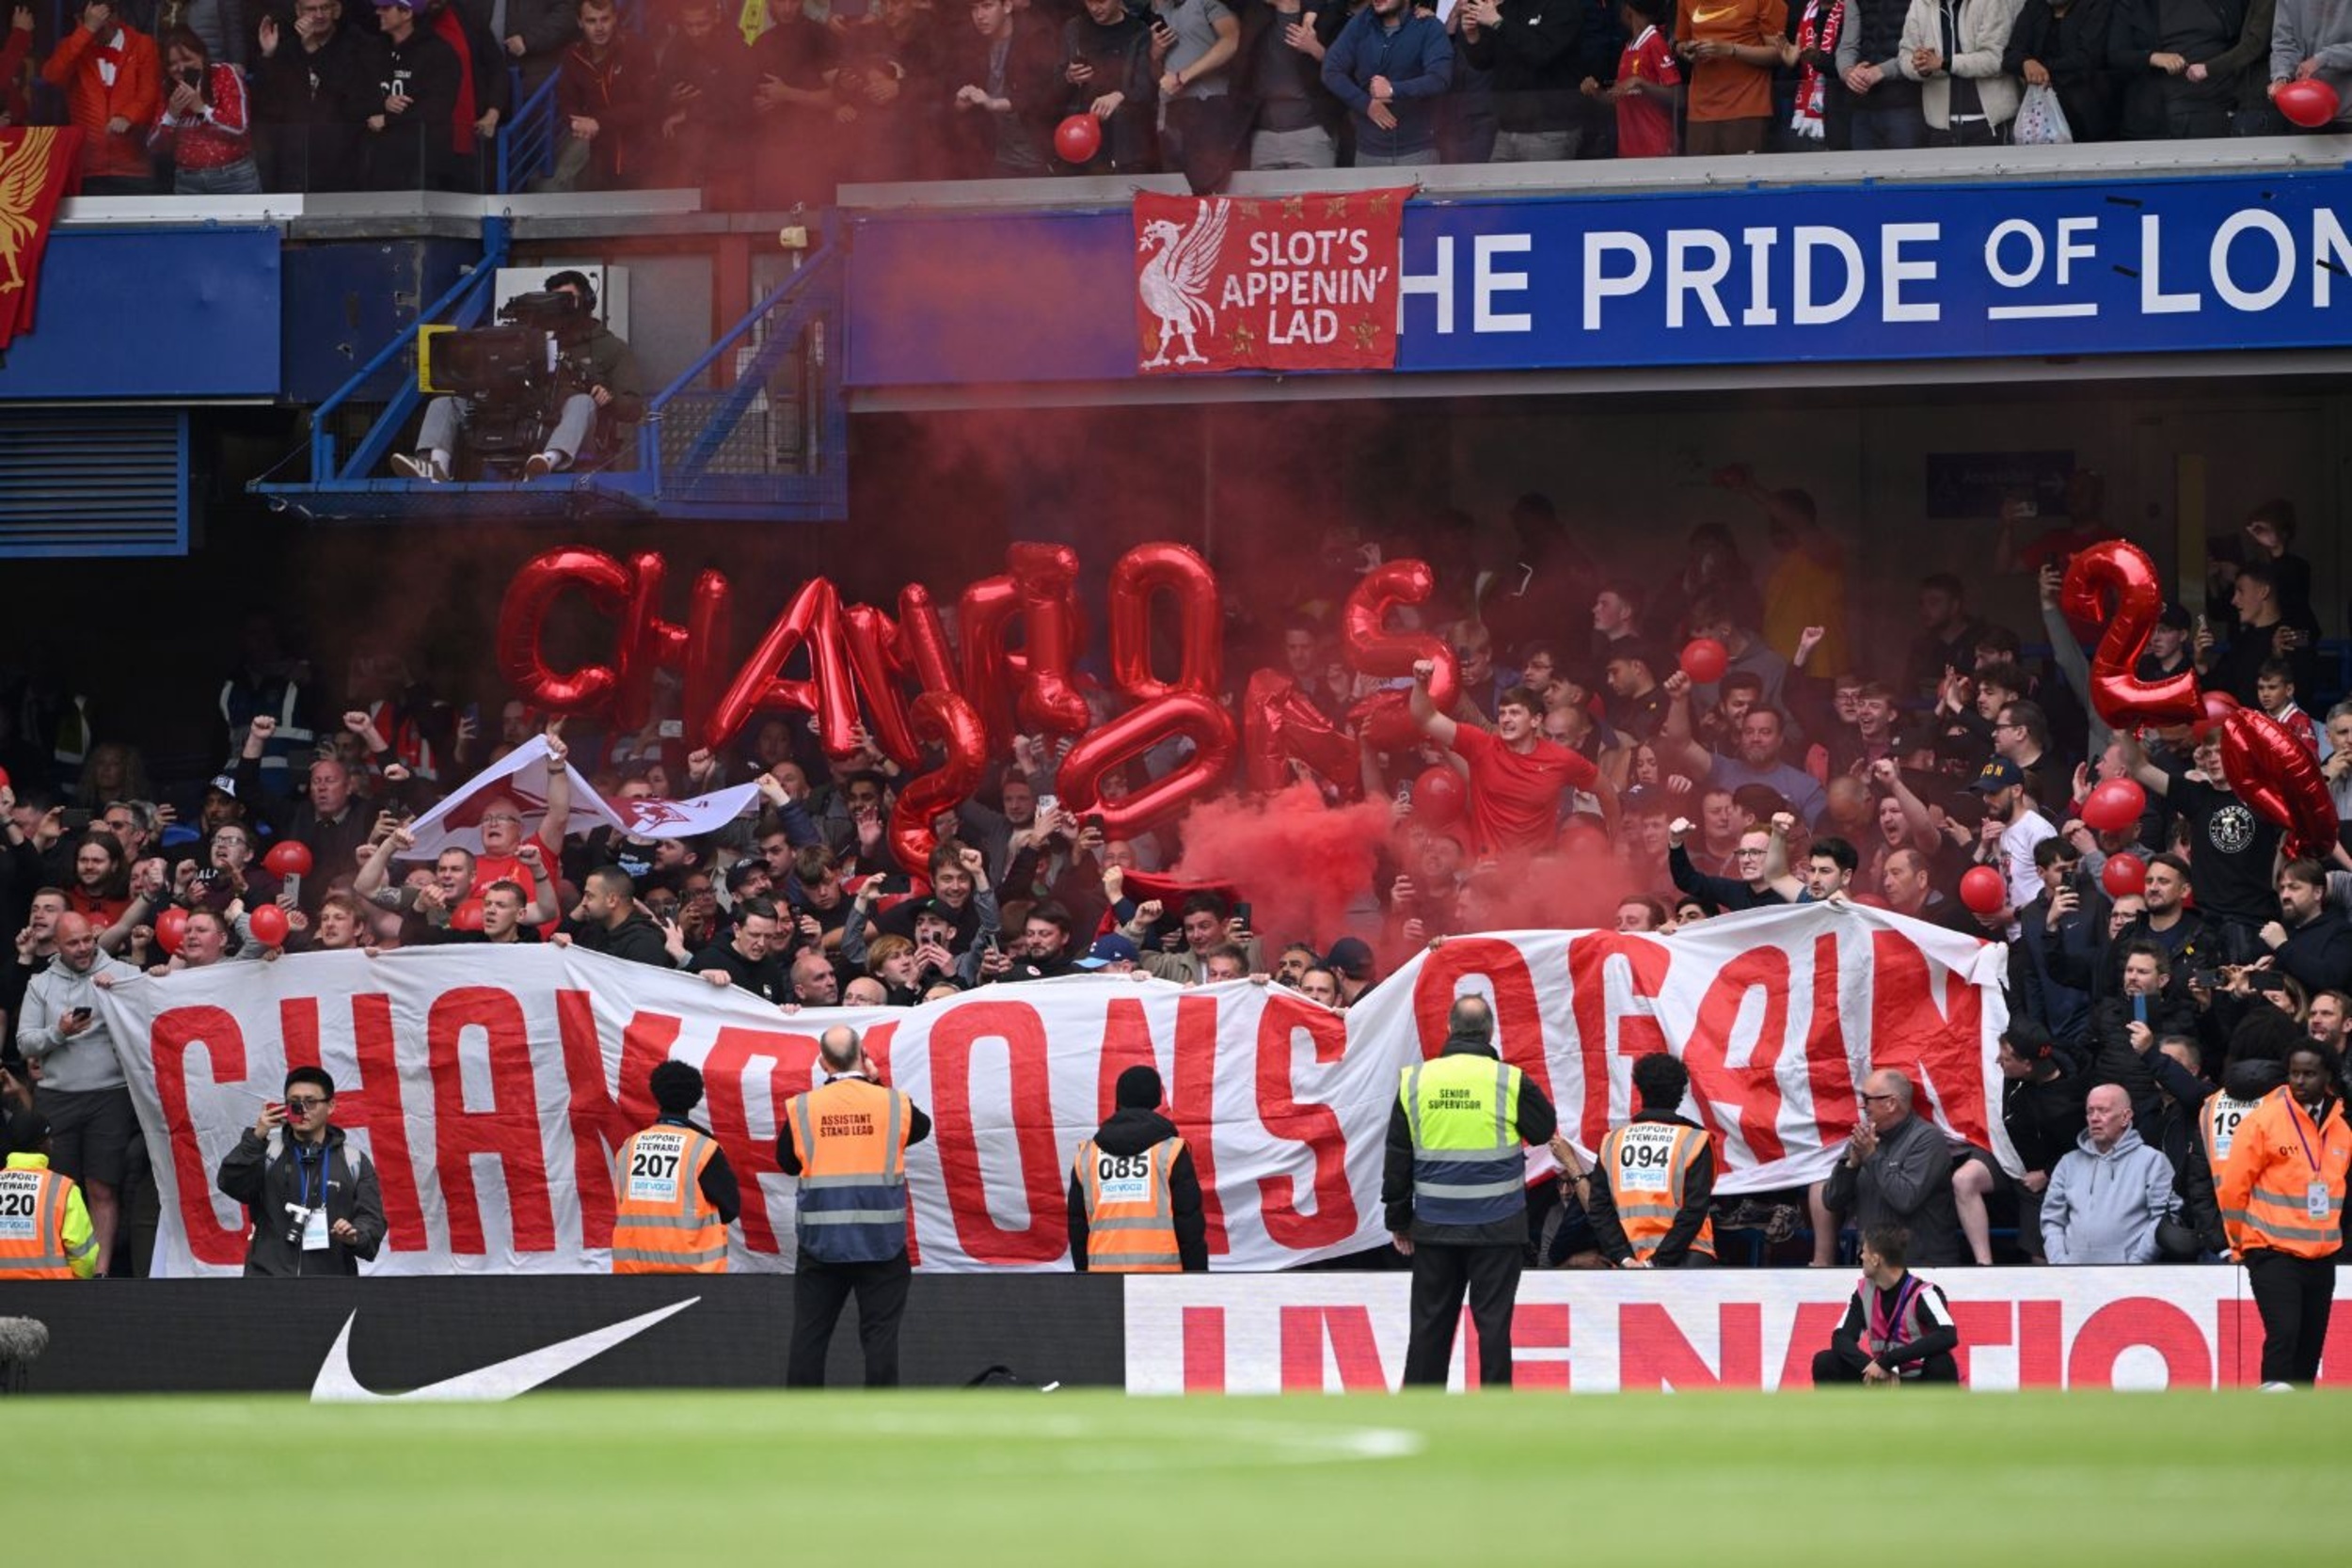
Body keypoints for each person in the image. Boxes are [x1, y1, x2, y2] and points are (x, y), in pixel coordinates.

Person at [1383, 994, 1558, 1387]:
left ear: (1449, 1028)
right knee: (1493, 1325)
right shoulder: (1509, 1080)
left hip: (1434, 1223)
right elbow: (1544, 1130)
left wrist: (1398, 1219)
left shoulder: (1416, 1080)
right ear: (1490, 1031)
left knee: (1429, 1324)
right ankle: (1495, 1415)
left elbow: (1398, 1157)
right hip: (1498, 1225)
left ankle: (1421, 1412)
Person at [778, 1025, 932, 1387]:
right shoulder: (893, 1102)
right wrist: (875, 1082)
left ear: (822, 1062)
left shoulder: (803, 1107)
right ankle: (879, 1424)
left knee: (809, 1337)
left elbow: (786, 1161)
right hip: (882, 1243)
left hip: (821, 1243)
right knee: (880, 1338)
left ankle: (801, 1424)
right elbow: (921, 1128)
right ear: (863, 1058)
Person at [392, 270, 644, 483]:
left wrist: (608, 399)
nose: (561, 309)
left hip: (578, 437)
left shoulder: (611, 348)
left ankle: (549, 461)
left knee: (582, 402)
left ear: (587, 302)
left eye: (567, 301)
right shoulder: (526, 341)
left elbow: (633, 409)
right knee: (445, 402)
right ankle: (436, 468)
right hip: (526, 425)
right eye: (554, 301)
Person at [13, 912, 140, 1276]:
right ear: (57, 946)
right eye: (73, 943)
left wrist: (143, 981)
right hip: (57, 1097)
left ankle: (98, 1274)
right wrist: (60, 1032)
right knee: (59, 1191)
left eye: (88, 939)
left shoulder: (123, 973)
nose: (83, 948)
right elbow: (24, 1043)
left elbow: (154, 1006)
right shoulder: (41, 984)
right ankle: (62, 1273)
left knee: (102, 1188)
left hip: (109, 1095)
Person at [2219, 1042, 2348, 1387]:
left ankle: (2299, 1426)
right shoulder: (2263, 1120)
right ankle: (2271, 1418)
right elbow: (2233, 1188)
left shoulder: (2342, 1130)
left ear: (2328, 1077)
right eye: (2294, 1073)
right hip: (2272, 1250)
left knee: (2309, 1349)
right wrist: (2238, 1244)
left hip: (2321, 1256)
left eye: (2309, 1073)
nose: (2300, 1081)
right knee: (2284, 1335)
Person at [1410, 660, 1609, 860]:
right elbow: (1426, 718)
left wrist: (1613, 840)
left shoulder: (1570, 769)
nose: (1506, 719)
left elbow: (1606, 792)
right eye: (1503, 713)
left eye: (1514, 713)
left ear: (1535, 720)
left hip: (1540, 878)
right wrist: (1420, 683)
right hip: (1489, 872)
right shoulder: (1484, 749)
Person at [214, 1067, 388, 1277]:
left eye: (310, 1102)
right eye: (294, 1102)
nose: (302, 1109)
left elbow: (372, 1220)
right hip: (267, 1281)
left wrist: (355, 1235)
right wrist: (257, 1136)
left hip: (332, 1285)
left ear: (331, 1106)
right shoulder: (268, 1153)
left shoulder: (353, 1161)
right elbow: (230, 1183)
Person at [1067, 1064, 1208, 1272]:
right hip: (1163, 1277)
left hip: (1102, 1277)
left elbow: (1078, 1228)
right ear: (1157, 1098)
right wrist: (1198, 1278)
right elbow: (1189, 1223)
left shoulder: (1088, 1156)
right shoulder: (1171, 1152)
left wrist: (1084, 1278)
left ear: (1119, 1099)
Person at [1583, 1051, 1716, 1268]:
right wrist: (1654, 1264)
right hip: (1688, 1259)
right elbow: (1695, 1209)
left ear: (1640, 1089)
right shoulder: (1695, 1140)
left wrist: (1624, 1258)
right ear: (1681, 1093)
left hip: (1630, 1261)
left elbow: (1599, 1208)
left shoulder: (1612, 1142)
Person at [1821, 1069, 1963, 1265]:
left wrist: (1871, 1156)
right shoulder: (1864, 1139)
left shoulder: (1927, 1140)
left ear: (1891, 1103)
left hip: (1921, 1266)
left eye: (1867, 1099)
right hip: (1874, 1265)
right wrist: (1851, 1165)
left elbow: (1905, 1199)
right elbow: (1831, 1201)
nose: (1863, 1106)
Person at [612, 1061, 739, 1275]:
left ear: (656, 1093)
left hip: (631, 1270)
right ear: (694, 1099)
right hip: (693, 1272)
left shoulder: (629, 1147)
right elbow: (730, 1209)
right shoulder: (703, 1148)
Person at [2038, 1084, 2175, 1263]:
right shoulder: (2068, 1163)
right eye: (2090, 1111)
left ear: (2126, 1117)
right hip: (2072, 1279)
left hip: (2130, 1279)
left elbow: (2163, 1219)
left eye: (2103, 1111)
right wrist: (2061, 1264)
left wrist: (2136, 1264)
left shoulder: (2153, 1161)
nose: (2094, 1118)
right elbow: (2052, 1220)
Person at [1810, 1224, 1961, 1385]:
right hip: (1879, 1381)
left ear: (1875, 1260)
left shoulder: (1924, 1293)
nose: (1861, 1256)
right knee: (1825, 1361)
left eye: (1864, 1252)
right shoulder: (1863, 1292)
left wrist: (1887, 1362)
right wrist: (1870, 1366)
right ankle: (1843, 1410)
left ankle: (1937, 1409)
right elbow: (1841, 1338)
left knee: (1942, 1363)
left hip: (1915, 1381)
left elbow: (1947, 1335)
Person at [42, 1, 163, 194]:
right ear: (78, 20)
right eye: (90, 20)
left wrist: (128, 116)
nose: (99, 26)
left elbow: (149, 93)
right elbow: (53, 76)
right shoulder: (72, 47)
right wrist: (86, 30)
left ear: (114, 16)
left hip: (133, 166)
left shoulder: (142, 44)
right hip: (89, 166)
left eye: (103, 18)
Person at [1322, 0, 1454, 167]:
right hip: (1368, 151)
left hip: (1418, 150)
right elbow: (1331, 70)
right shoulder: (1360, 24)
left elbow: (1440, 79)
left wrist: (1393, 89)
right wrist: (1366, 104)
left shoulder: (1428, 26)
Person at [153, 26, 262, 194]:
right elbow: (155, 148)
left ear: (202, 55)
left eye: (187, 59)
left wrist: (202, 110)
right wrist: (171, 116)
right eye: (172, 64)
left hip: (233, 177)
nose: (181, 68)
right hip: (188, 180)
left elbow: (240, 128)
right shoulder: (168, 88)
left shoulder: (224, 74)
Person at [0, 1101, 100, 1280]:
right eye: (49, 1138)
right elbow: (85, 1256)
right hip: (52, 1296)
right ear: (41, 1145)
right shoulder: (62, 1189)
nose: (52, 1143)